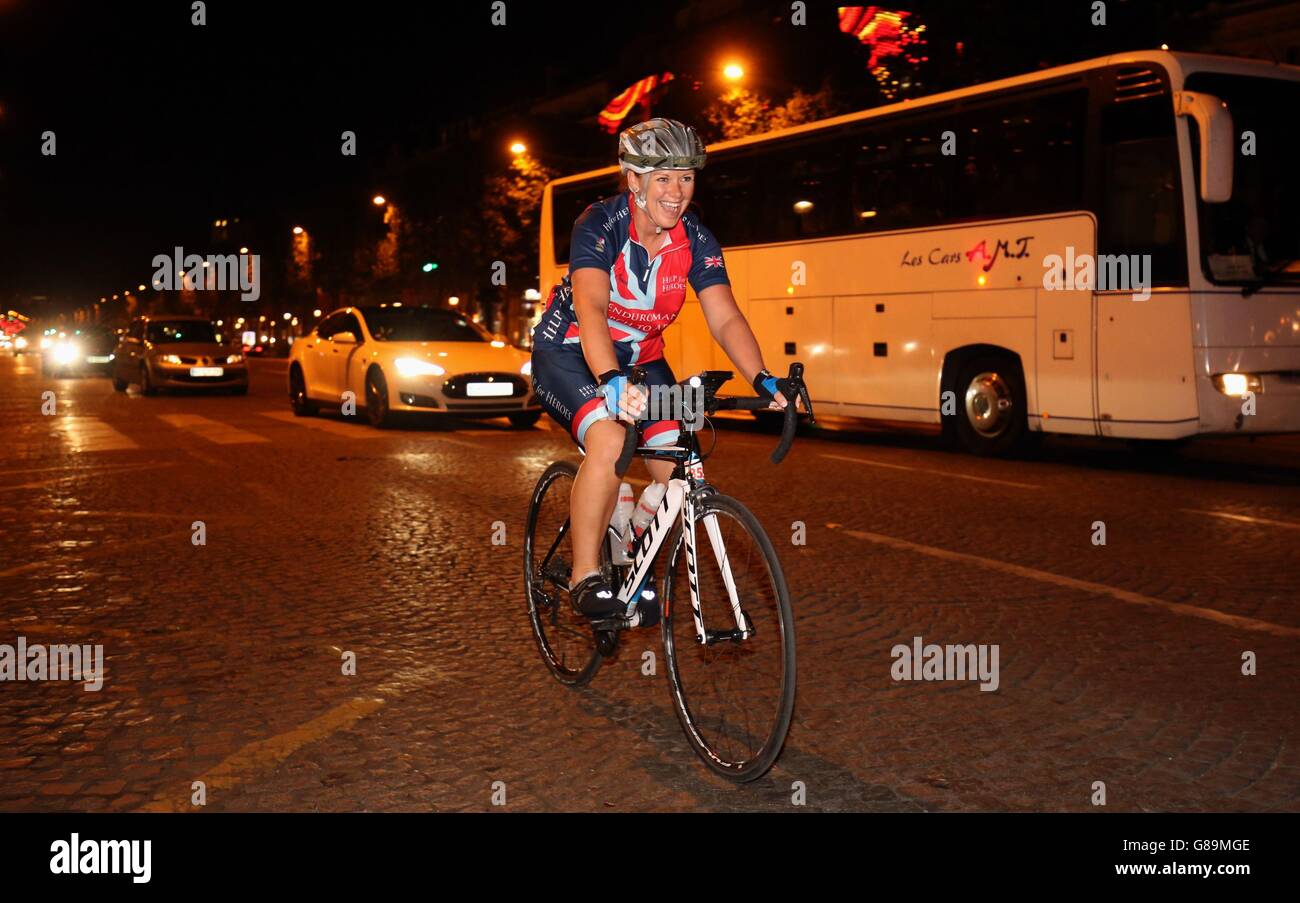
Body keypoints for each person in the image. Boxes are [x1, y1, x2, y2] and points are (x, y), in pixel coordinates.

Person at [530, 118, 795, 620]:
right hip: (571, 352)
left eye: (687, 177)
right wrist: (609, 382)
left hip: (644, 360)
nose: (677, 192)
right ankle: (587, 575)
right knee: (609, 440)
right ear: (634, 179)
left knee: (677, 465)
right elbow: (591, 310)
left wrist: (762, 377)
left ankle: (632, 540)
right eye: (663, 178)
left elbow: (724, 315)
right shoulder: (599, 223)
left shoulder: (695, 237)